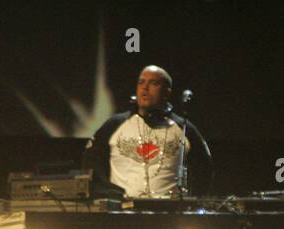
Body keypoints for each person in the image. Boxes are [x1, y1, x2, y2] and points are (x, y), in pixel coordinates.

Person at [82, 65, 213, 199]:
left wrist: (192, 204)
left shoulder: (185, 129)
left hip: (169, 215)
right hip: (122, 213)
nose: (145, 88)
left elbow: (205, 169)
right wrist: (107, 194)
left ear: (167, 92)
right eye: (141, 82)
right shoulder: (114, 125)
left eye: (153, 83)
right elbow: (91, 163)